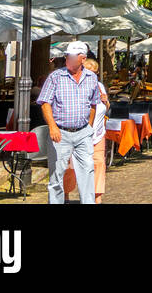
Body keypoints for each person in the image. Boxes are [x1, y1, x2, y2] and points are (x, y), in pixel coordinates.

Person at [37, 41, 101, 204]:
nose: (67, 59)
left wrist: (89, 127)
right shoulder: (56, 77)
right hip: (61, 132)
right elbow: (45, 103)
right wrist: (52, 127)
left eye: (70, 56)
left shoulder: (91, 78)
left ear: (82, 58)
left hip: (83, 132)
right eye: (66, 56)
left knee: (87, 171)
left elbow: (94, 104)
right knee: (57, 174)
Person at [63, 56, 110, 204]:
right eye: (89, 71)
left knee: (98, 164)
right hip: (76, 133)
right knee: (70, 166)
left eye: (95, 72)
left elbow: (106, 108)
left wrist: (106, 102)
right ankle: (65, 194)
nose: (92, 74)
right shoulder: (74, 85)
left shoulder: (100, 86)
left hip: (97, 134)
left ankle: (97, 197)